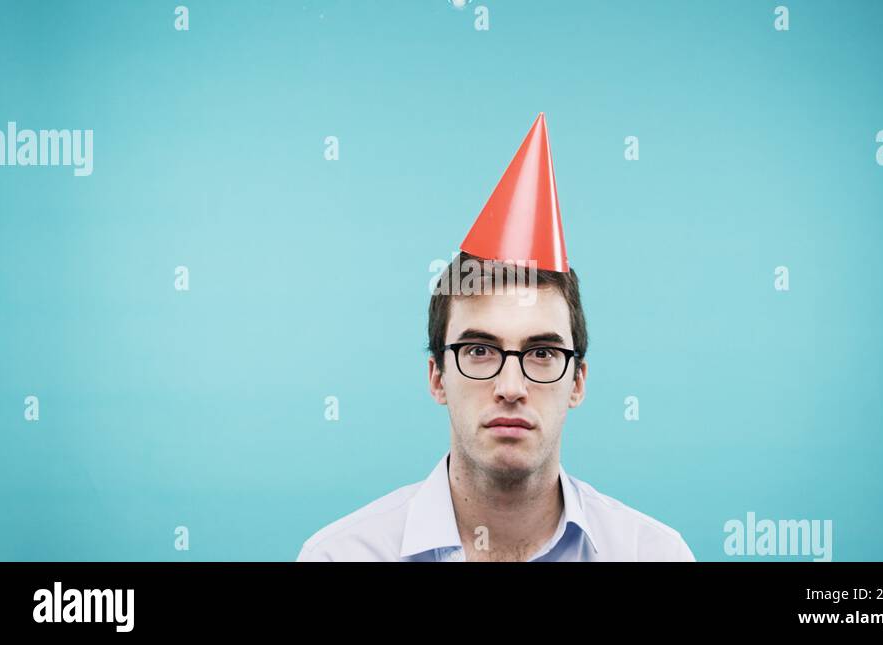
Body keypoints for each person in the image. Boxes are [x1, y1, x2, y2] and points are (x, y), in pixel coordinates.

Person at [297, 114, 694, 561]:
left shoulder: (653, 554)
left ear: (578, 382)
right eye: (480, 351)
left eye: (542, 352)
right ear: (437, 377)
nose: (510, 389)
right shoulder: (343, 556)